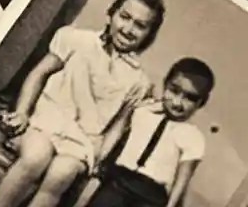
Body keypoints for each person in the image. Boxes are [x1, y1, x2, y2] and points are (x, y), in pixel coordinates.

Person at [0, 0, 167, 207]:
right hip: (47, 122)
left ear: (149, 35)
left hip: (83, 142)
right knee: (35, 158)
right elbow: (39, 73)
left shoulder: (139, 81)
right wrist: (22, 112)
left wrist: (100, 158)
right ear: (112, 14)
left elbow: (119, 124)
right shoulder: (76, 39)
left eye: (140, 26)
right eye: (125, 17)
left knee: (60, 175)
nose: (128, 29)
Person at [91, 57, 213, 207]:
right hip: (118, 182)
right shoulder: (143, 110)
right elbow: (118, 130)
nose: (178, 102)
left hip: (151, 197)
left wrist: (171, 205)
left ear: (202, 103)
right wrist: (99, 161)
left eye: (190, 98)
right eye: (174, 90)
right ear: (165, 84)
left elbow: (183, 178)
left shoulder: (193, 137)